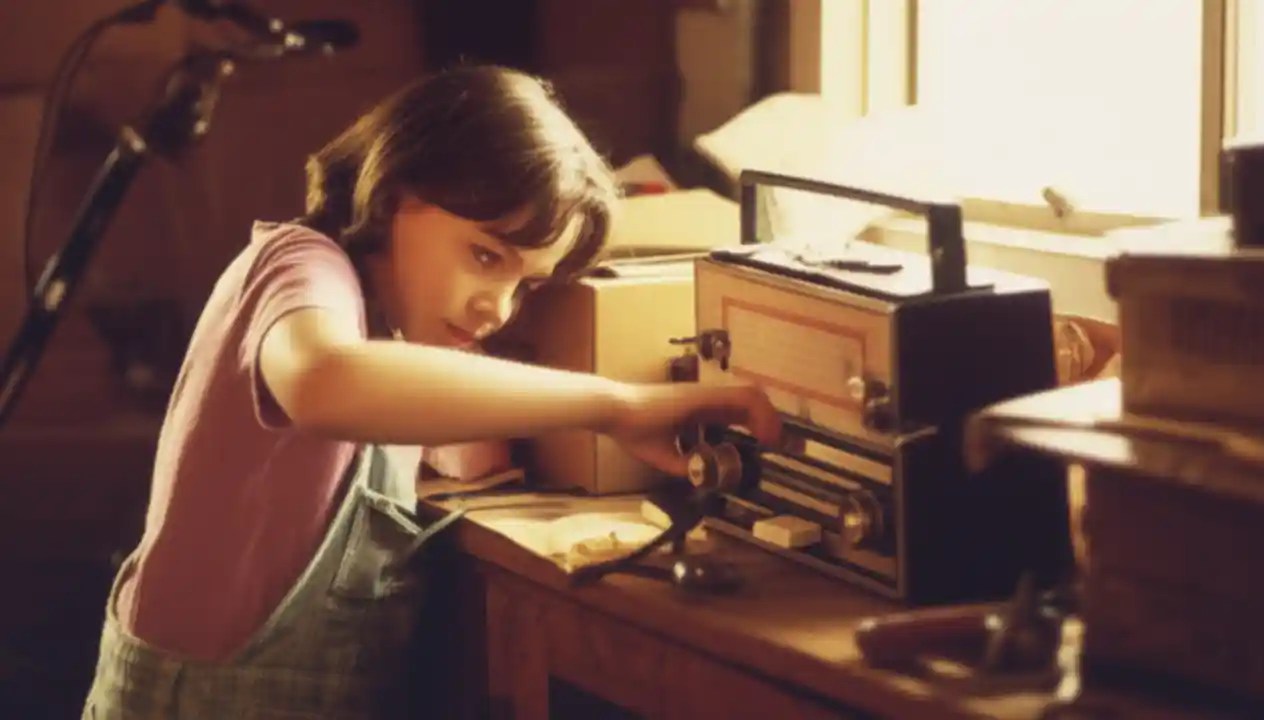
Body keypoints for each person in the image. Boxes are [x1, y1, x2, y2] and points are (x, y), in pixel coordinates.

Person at [80, 64, 781, 719]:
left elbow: (461, 448)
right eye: (484, 256)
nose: (498, 308)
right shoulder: (301, 266)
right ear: (392, 196)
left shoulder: (390, 330)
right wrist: (618, 406)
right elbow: (324, 381)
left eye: (526, 284)